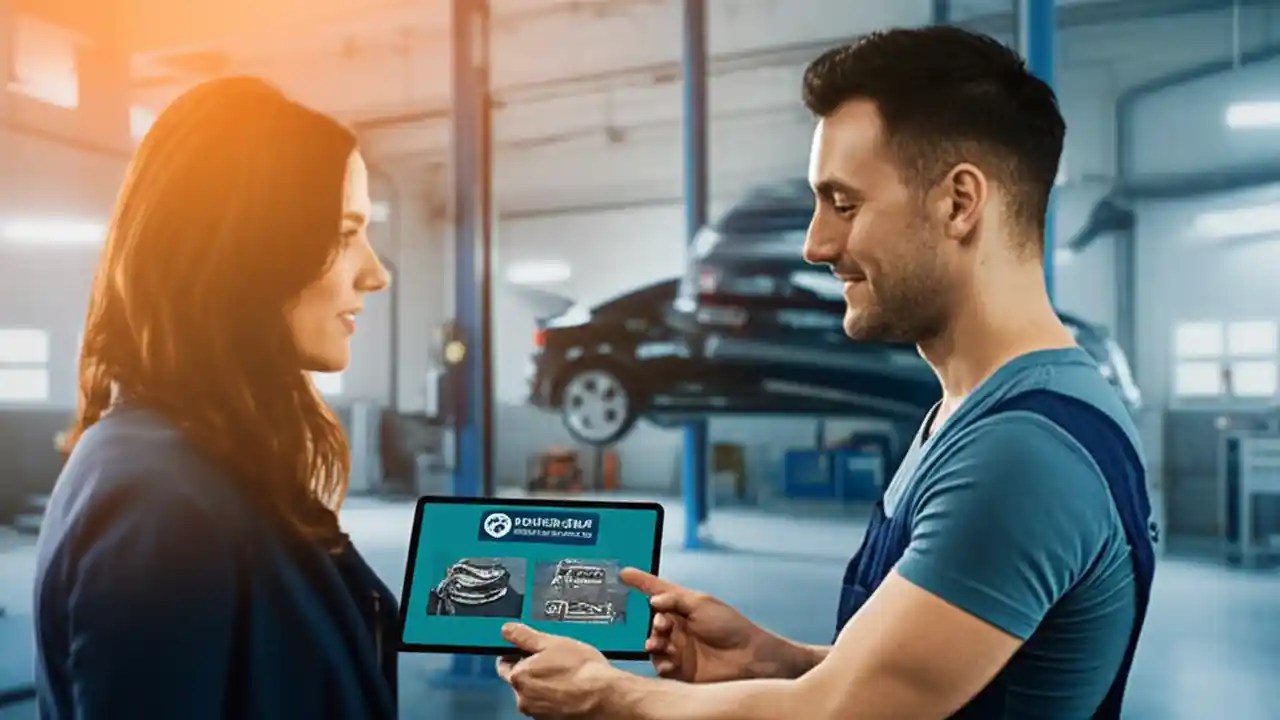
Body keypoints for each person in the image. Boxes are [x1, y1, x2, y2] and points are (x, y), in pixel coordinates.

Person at [495, 25, 1157, 720]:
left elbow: (837, 712)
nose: (816, 244)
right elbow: (929, 683)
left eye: (845, 205)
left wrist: (609, 694)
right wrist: (769, 658)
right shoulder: (985, 412)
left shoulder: (1023, 453)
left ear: (960, 203)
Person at [32, 76, 396, 719]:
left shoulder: (215, 459)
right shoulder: (158, 500)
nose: (376, 273)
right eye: (344, 233)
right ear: (245, 249)